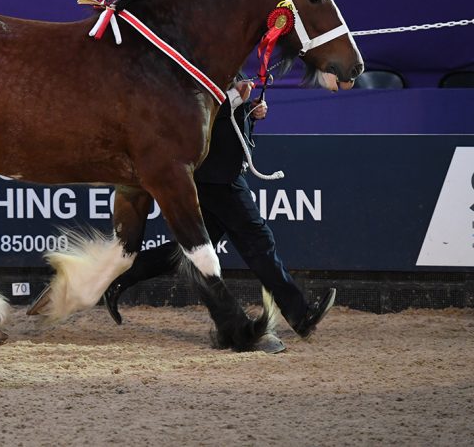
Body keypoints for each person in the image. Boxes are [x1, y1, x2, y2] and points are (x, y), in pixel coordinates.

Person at [103, 79, 335, 346]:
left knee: (191, 251)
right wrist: (236, 98)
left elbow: (228, 117)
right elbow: (197, 109)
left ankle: (120, 277)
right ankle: (300, 315)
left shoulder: (230, 63)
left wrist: (251, 111)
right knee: (258, 241)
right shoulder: (202, 64)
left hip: (222, 173)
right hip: (216, 177)